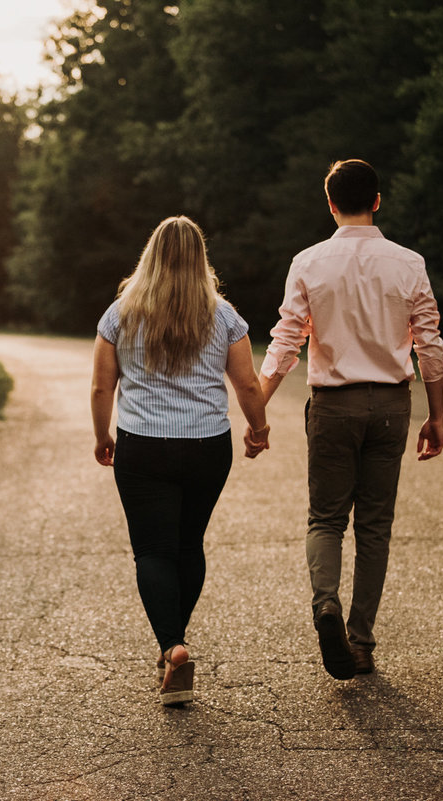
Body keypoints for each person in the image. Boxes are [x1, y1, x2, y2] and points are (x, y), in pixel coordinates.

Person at [252, 159, 443, 680]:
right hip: (389, 407)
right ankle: (360, 643)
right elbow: (428, 344)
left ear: (331, 203)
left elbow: (287, 340)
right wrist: (437, 416)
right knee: (375, 528)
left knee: (326, 520)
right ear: (378, 200)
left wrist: (257, 410)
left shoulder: (309, 262)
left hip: (334, 407)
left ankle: (326, 607)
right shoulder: (409, 263)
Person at [92, 215, 270, 706]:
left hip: (142, 446)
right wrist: (258, 428)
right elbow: (248, 385)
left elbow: (102, 384)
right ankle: (174, 645)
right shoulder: (224, 316)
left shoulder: (120, 314)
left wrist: (101, 435)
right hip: (207, 447)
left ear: (151, 255)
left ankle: (171, 645)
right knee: (188, 545)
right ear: (200, 258)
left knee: (153, 551)